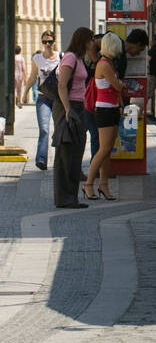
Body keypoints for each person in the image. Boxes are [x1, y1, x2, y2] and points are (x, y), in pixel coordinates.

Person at [53, 27, 94, 209]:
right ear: (83, 40)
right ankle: (64, 198)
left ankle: (72, 197)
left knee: (75, 152)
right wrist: (68, 109)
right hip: (68, 107)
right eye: (91, 40)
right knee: (66, 153)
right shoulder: (70, 57)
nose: (93, 43)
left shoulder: (78, 58)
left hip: (78, 106)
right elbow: (62, 85)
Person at [83, 32, 126, 201]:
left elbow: (118, 87)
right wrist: (120, 84)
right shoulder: (104, 64)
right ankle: (88, 184)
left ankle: (104, 185)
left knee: (107, 151)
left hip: (112, 109)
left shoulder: (109, 63)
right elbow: (118, 86)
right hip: (104, 110)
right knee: (103, 150)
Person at [22, 31, 60, 170]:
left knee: (58, 129)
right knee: (44, 129)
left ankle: (59, 160)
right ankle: (41, 159)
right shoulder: (37, 58)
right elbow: (33, 77)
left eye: (50, 41)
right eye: (44, 42)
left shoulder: (61, 57)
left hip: (57, 98)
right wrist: (25, 93)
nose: (47, 44)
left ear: (54, 42)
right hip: (43, 98)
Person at [82, 33, 103, 163]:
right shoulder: (88, 55)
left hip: (90, 99)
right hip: (85, 100)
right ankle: (94, 167)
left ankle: (94, 166)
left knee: (94, 134)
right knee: (94, 133)